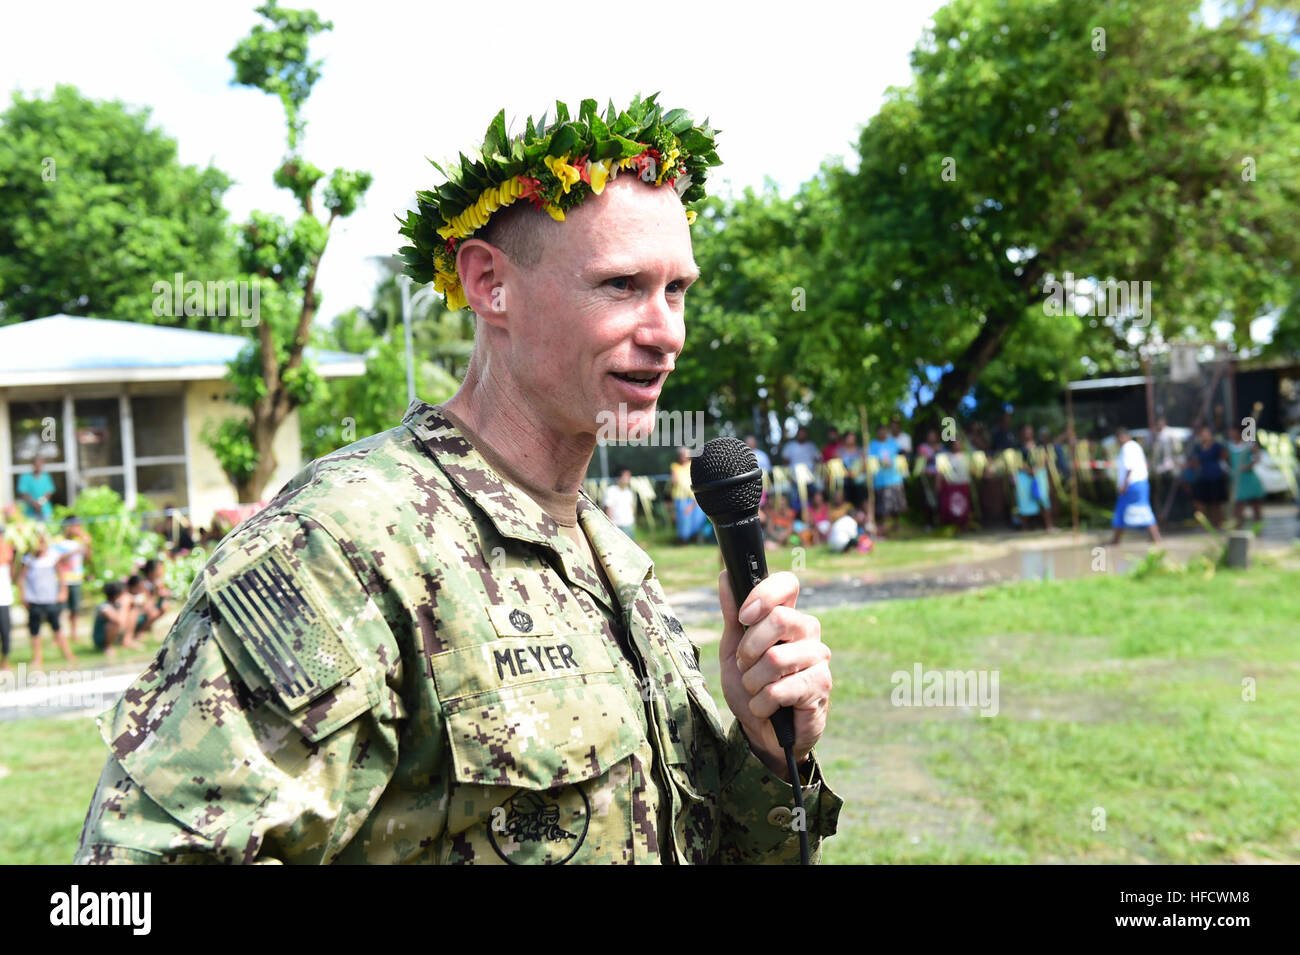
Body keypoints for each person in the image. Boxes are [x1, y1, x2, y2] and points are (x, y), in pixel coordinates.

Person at [77, 97, 839, 865]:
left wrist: (767, 750)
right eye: (620, 286)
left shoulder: (610, 557)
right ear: (488, 282)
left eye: (677, 290)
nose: (667, 331)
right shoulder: (340, 548)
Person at [18, 534, 75, 666]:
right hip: (35, 600)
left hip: (50, 599)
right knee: (35, 630)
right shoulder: (28, 560)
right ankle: (37, 657)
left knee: (57, 627)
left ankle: (67, 653)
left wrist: (63, 591)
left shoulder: (52, 557)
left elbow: (61, 575)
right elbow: (21, 579)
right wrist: (23, 596)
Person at [1109, 426, 1161, 544]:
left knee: (1123, 510)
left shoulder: (1127, 447)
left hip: (1132, 485)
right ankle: (1155, 537)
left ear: (1122, 437)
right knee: (1141, 509)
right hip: (1140, 483)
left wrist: (1124, 485)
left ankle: (1116, 540)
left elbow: (1129, 467)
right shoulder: (1135, 446)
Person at [54, 517, 91, 647]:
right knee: (61, 610)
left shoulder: (80, 541)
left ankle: (74, 634)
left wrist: (88, 544)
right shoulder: (59, 541)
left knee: (75, 609)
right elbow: (56, 559)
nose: (78, 529)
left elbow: (88, 558)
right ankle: (58, 635)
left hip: (76, 579)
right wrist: (73, 552)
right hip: (63, 580)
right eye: (75, 526)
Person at [1188, 425, 1230, 529]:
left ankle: (1218, 523)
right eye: (1202, 433)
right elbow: (1195, 461)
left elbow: (1225, 456)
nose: (1204, 435)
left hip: (1216, 476)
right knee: (1200, 502)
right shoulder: (1198, 447)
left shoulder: (1217, 446)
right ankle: (1205, 524)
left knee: (1216, 503)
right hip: (1203, 477)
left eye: (1206, 433)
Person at [869, 424, 906, 537]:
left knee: (896, 505)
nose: (882, 433)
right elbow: (870, 460)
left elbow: (900, 456)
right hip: (880, 480)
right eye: (880, 431)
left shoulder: (893, 443)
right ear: (877, 433)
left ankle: (896, 525)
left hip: (895, 478)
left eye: (884, 431)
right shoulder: (872, 445)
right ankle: (882, 529)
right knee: (882, 507)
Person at [1014, 425, 1054, 531]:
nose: (1027, 433)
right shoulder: (1017, 447)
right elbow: (1016, 462)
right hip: (1024, 476)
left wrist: (1036, 469)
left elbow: (1045, 459)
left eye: (1029, 431)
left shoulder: (1039, 445)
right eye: (1025, 431)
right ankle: (1025, 528)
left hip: (1039, 474)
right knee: (1024, 501)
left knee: (1043, 499)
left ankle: (1049, 526)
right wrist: (1027, 470)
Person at [669, 445, 711, 543]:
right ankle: (684, 540)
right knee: (684, 520)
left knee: (697, 520)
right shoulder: (675, 467)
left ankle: (696, 539)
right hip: (681, 498)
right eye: (681, 454)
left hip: (694, 497)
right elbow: (673, 482)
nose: (683, 456)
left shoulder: (692, 464)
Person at [90, 582, 142, 658]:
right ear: (116, 595)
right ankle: (107, 647)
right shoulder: (104, 607)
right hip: (101, 638)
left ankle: (127, 640)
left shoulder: (118, 604)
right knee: (114, 623)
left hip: (117, 634)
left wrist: (132, 602)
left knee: (133, 611)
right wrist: (125, 605)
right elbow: (118, 621)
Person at [1227, 425, 1265, 525]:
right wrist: (1230, 470)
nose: (1230, 434)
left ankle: (1258, 526)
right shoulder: (1229, 445)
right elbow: (1226, 460)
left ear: (1239, 432)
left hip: (1249, 477)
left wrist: (1249, 466)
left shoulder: (1249, 444)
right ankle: (1238, 527)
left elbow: (1257, 457)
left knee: (1255, 503)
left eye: (1233, 431)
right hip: (1237, 479)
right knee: (1238, 505)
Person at [936, 437, 972, 529]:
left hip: (963, 485)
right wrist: (938, 483)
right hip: (951, 485)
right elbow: (940, 471)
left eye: (959, 443)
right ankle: (951, 525)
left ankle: (964, 524)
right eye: (955, 443)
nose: (957, 445)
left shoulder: (967, 457)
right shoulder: (946, 457)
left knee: (963, 506)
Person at [17, 456, 56, 522]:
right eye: (36, 464)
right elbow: (23, 492)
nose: (38, 466)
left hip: (45, 511)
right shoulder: (25, 477)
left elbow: (49, 492)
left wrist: (40, 503)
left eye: (40, 464)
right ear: (32, 465)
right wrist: (34, 504)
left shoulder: (46, 477)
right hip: (30, 512)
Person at [603, 466, 638, 538]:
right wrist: (611, 525)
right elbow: (608, 509)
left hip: (629, 525)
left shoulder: (628, 491)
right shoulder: (610, 491)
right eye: (626, 476)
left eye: (629, 476)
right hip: (617, 526)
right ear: (618, 478)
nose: (628, 479)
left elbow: (631, 507)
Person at [0, 531, 12, 671]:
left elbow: (6, 557)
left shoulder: (6, 551)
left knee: (5, 632)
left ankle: (5, 660)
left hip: (3, 600)